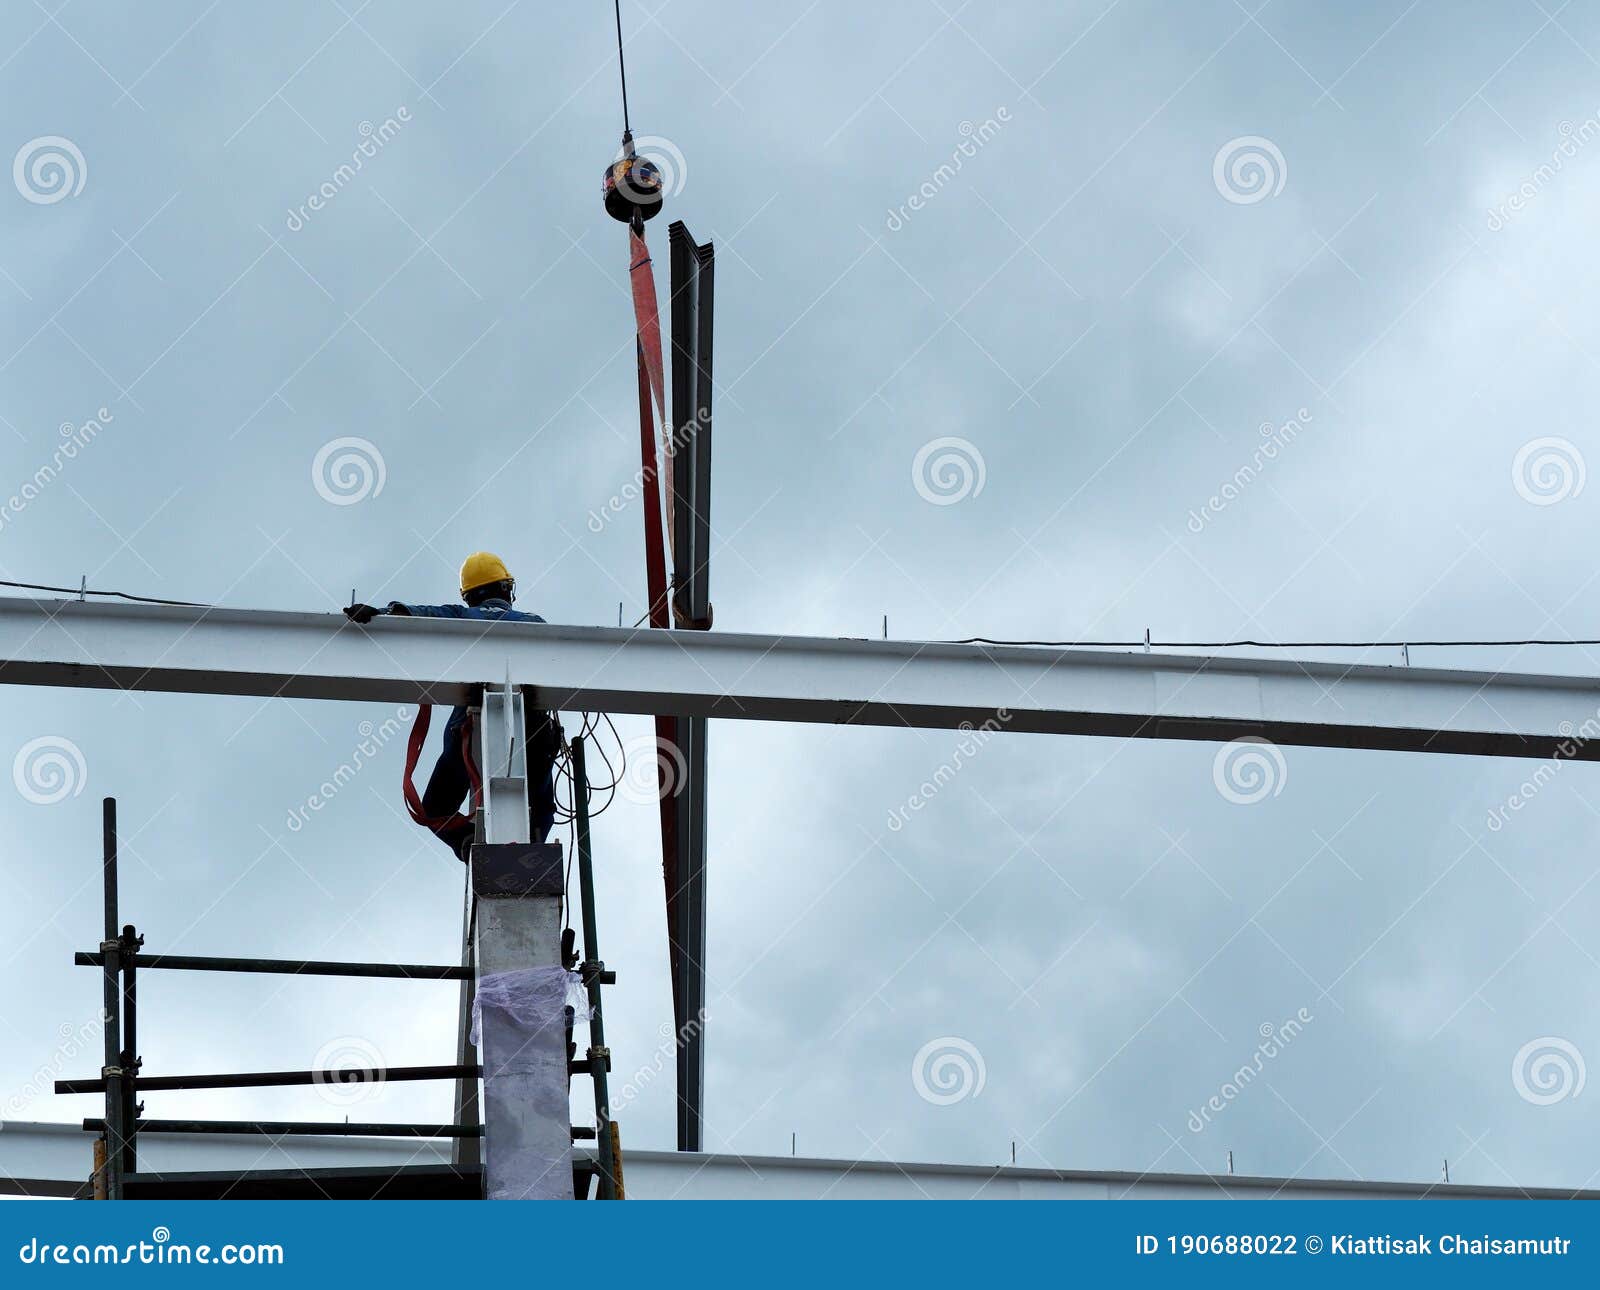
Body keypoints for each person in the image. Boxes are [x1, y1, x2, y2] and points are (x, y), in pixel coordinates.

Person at [343, 552, 560, 860]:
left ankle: (467, 843)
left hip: (465, 736)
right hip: (534, 735)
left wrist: (378, 613)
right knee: (542, 808)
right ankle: (533, 849)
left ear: (469, 595)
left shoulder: (459, 617)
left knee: (435, 808)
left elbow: (416, 614)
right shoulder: (533, 623)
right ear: (506, 589)